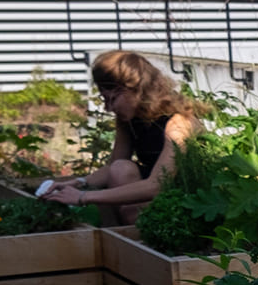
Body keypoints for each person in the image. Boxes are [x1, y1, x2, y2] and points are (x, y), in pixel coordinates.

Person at [42, 50, 201, 225]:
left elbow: (157, 185)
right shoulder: (130, 120)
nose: (108, 108)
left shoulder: (178, 123)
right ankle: (120, 236)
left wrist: (84, 197)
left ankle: (137, 241)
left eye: (112, 99)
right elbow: (112, 167)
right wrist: (77, 183)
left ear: (135, 89)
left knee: (118, 183)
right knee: (119, 169)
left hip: (183, 200)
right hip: (153, 196)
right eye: (104, 100)